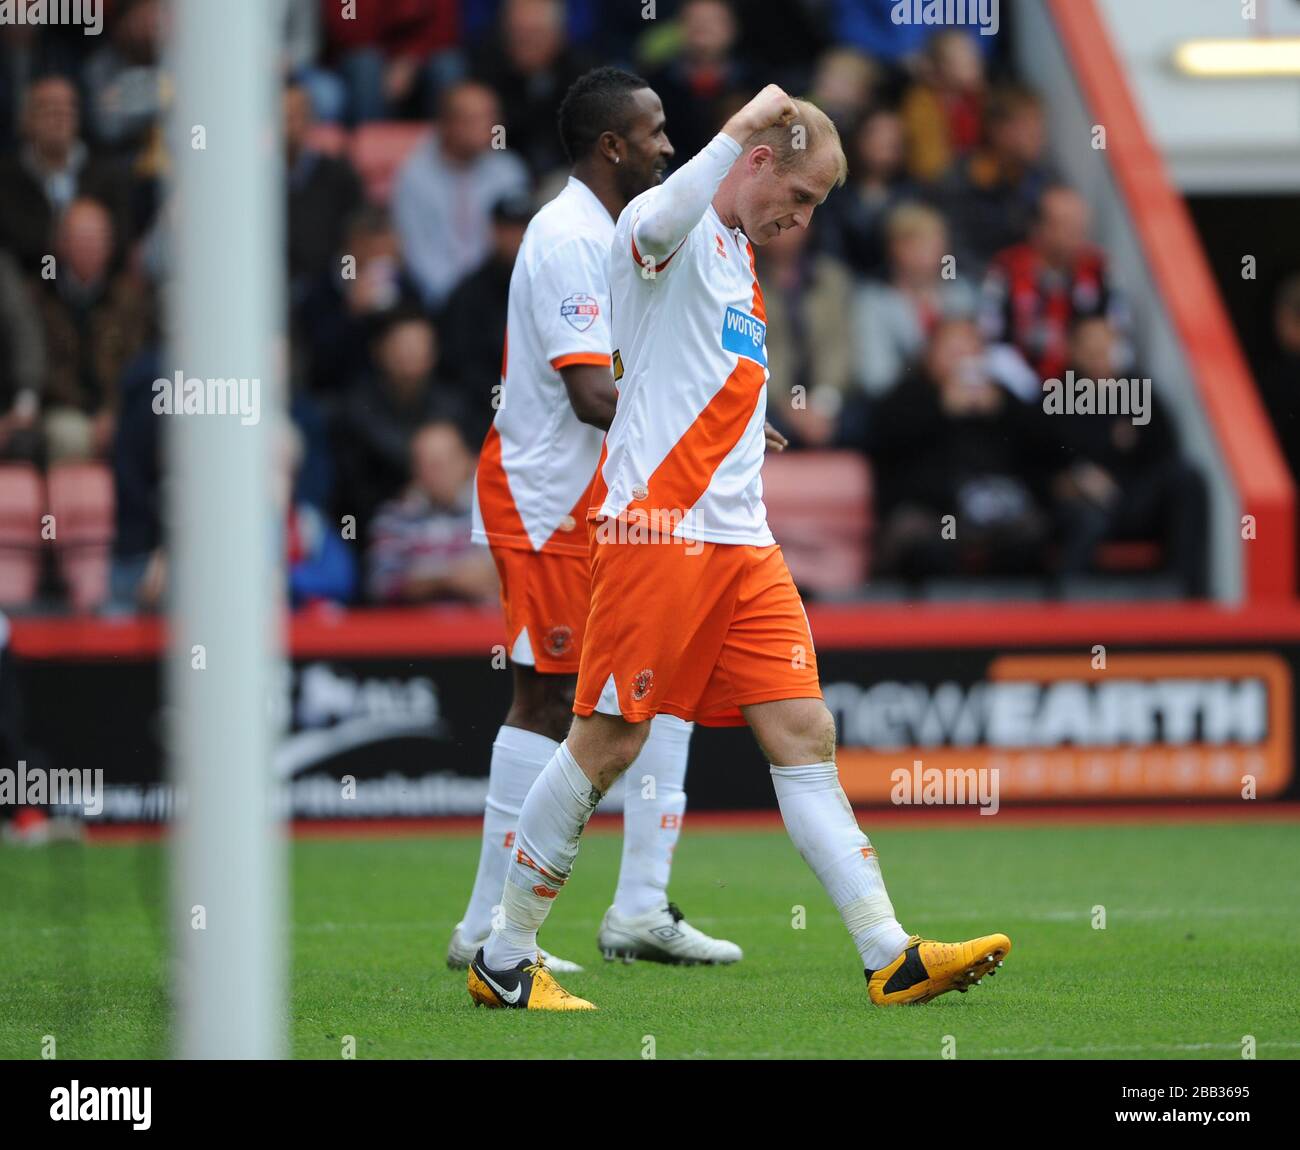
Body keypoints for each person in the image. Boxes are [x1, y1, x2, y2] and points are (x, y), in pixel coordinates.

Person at [468, 85, 1011, 1011]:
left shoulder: (735, 256)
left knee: (805, 734)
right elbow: (660, 221)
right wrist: (743, 121)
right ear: (756, 162)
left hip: (741, 542)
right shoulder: (663, 223)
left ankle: (890, 952)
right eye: (797, 197)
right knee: (605, 738)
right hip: (658, 534)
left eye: (813, 208)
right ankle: (505, 956)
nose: (800, 220)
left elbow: (687, 372)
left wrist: (740, 425)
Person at [455, 67, 744, 983]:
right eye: (655, 133)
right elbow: (589, 395)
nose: (670, 146)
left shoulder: (623, 235)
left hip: (614, 499)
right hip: (549, 498)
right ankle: (483, 927)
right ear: (611, 146)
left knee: (660, 683)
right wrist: (700, 414)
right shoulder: (568, 237)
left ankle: (640, 908)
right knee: (546, 701)